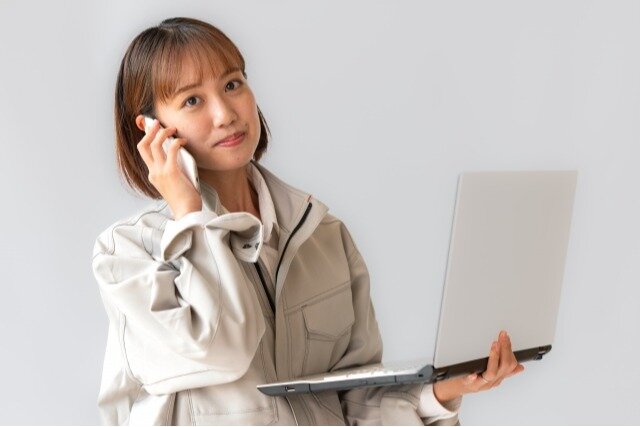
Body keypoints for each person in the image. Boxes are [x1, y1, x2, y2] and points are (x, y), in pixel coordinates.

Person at [92, 16, 525, 425]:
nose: (225, 113)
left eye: (232, 84)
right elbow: (220, 350)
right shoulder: (129, 255)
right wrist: (192, 215)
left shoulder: (323, 236)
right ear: (151, 129)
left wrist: (443, 392)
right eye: (192, 100)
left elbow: (354, 401)